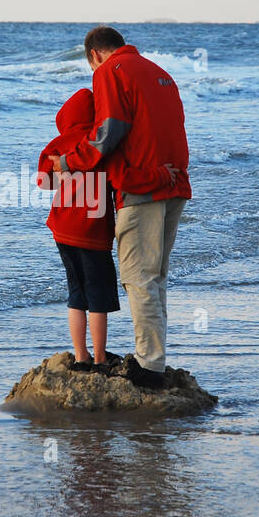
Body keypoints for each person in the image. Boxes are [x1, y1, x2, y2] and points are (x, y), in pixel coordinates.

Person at [54, 26, 191, 389]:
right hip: (174, 181)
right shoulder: (160, 73)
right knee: (157, 275)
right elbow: (171, 128)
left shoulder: (110, 72)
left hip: (141, 187)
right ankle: (155, 358)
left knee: (138, 277)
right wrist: (168, 173)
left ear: (95, 55)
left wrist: (70, 162)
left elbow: (108, 132)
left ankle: (150, 366)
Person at [37, 88, 119, 371]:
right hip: (93, 231)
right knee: (98, 294)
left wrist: (65, 178)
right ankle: (99, 358)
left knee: (76, 291)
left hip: (62, 229)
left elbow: (44, 183)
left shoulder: (57, 145)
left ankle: (81, 355)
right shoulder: (100, 144)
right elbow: (118, 179)